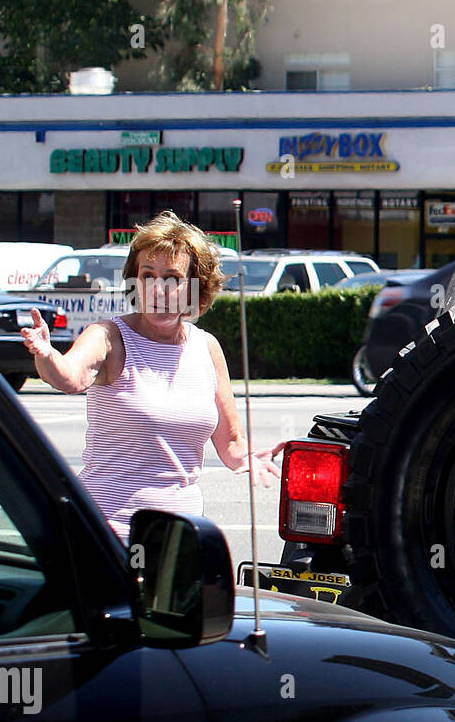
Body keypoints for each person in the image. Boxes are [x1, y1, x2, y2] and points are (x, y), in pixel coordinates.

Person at [19, 210, 283, 545]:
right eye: (147, 275)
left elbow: (230, 442)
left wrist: (248, 458)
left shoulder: (206, 347)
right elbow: (70, 377)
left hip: (179, 539)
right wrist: (47, 356)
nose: (158, 289)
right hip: (106, 534)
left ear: (196, 287)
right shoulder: (109, 335)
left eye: (172, 278)